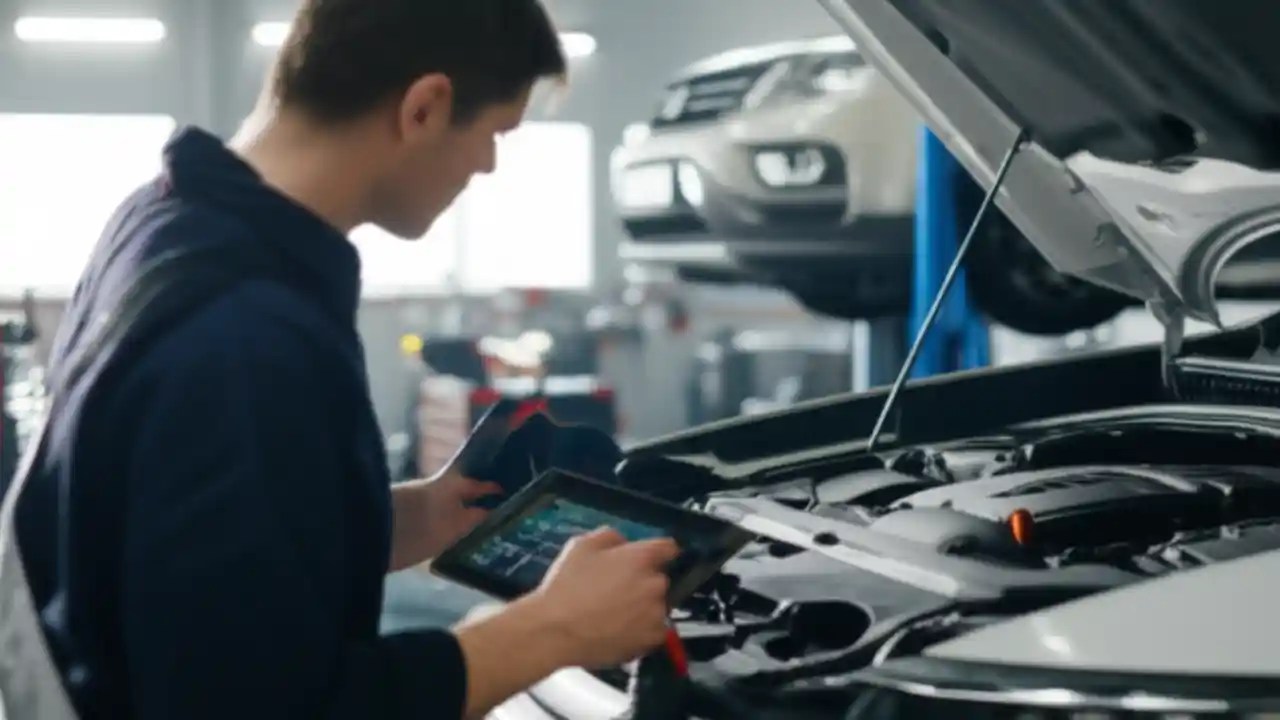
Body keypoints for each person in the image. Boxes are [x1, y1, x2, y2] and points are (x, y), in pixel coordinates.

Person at [13, 1, 679, 718]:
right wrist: (548, 629)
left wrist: (410, 517)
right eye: (494, 134)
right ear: (424, 108)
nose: (487, 166)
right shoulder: (245, 337)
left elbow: (189, 549)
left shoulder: (167, 221)